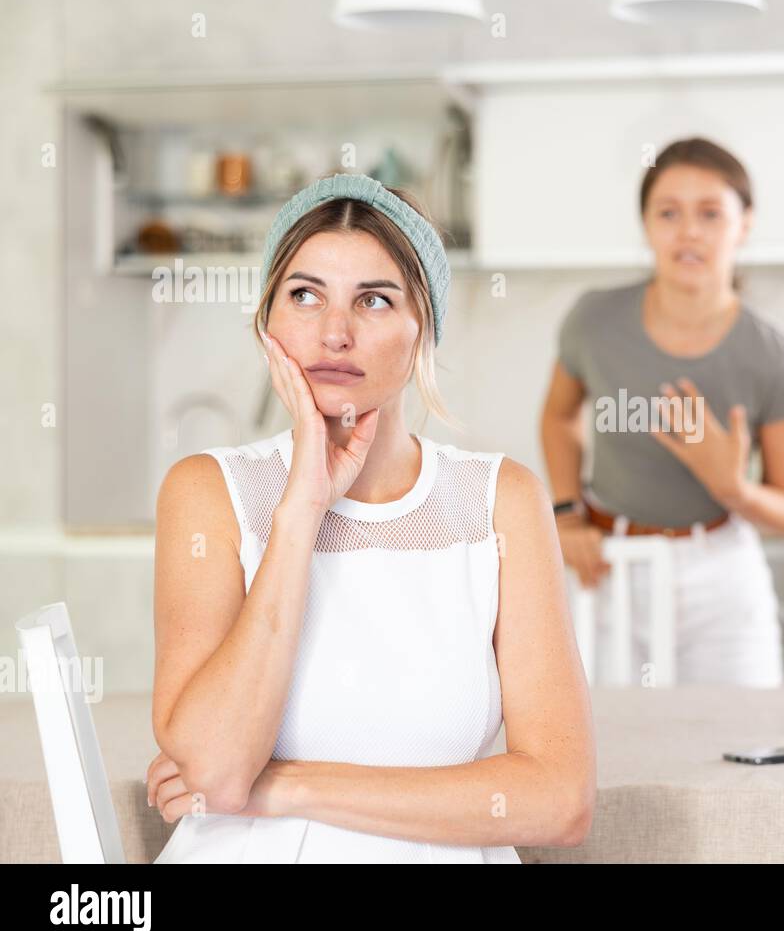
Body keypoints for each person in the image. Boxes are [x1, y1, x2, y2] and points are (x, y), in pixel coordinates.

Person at [147, 174, 595, 862]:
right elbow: (215, 764)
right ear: (269, 323)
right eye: (304, 295)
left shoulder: (500, 500)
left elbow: (558, 800)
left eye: (375, 301)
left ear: (424, 331)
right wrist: (301, 509)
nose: (334, 333)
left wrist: (284, 789)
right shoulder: (207, 491)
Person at [540, 137, 784, 687]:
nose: (688, 231)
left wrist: (731, 487)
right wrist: (566, 515)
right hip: (610, 566)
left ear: (744, 224)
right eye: (669, 213)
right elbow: (559, 417)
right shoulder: (594, 320)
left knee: (740, 748)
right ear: (646, 225)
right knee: (610, 748)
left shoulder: (773, 354)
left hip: (721, 575)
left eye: (710, 214)